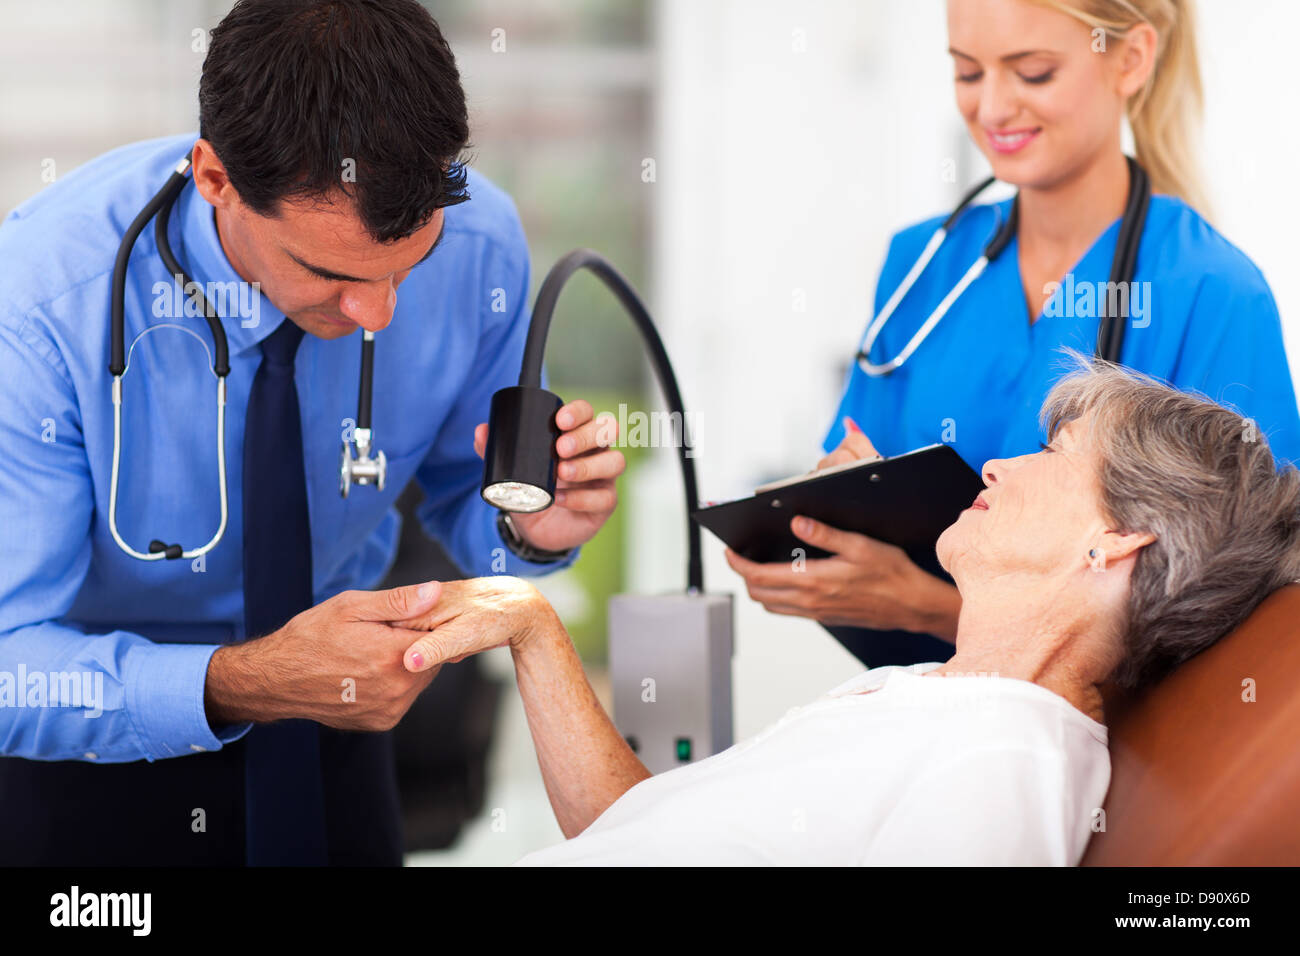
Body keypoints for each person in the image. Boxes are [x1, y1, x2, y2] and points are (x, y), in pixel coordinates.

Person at [0, 0, 624, 866]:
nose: (378, 311)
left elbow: (465, 496)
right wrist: (247, 681)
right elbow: (9, 668)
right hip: (93, 753)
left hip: (340, 734)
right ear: (215, 178)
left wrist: (525, 528)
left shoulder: (481, 248)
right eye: (330, 272)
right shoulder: (36, 307)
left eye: (408, 265)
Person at [397, 356, 1300, 865]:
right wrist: (531, 622)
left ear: (1115, 541)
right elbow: (629, 831)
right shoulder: (932, 694)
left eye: (1050, 456)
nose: (994, 467)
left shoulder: (1005, 761)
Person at [725, 0, 1300, 669]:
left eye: (1032, 73)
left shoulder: (1210, 291)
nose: (993, 108)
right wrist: (817, 526)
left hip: (1093, 754)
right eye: (968, 73)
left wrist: (928, 607)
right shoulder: (922, 269)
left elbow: (1239, 618)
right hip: (911, 715)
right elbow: (854, 463)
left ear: (1132, 59)